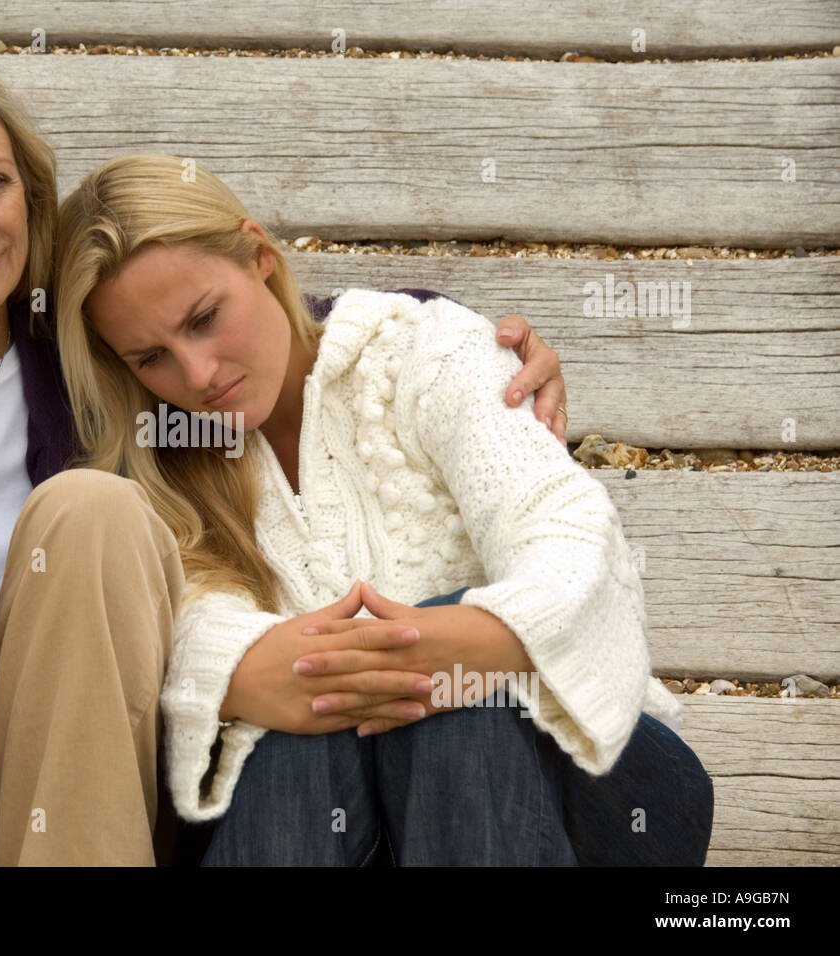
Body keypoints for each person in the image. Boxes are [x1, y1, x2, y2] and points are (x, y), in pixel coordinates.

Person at [0, 40, 573, 867]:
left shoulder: (96, 359)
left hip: (83, 808)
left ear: (28, 193)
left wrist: (465, 347)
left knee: (91, 510)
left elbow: (254, 330)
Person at [52, 153, 715, 865]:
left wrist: (467, 639)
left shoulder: (426, 351)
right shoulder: (155, 473)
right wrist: (264, 671)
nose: (198, 375)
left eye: (206, 319)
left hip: (600, 797)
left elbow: (564, 528)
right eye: (151, 358)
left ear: (257, 256)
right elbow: (183, 633)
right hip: (343, 816)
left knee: (453, 699)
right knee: (295, 728)